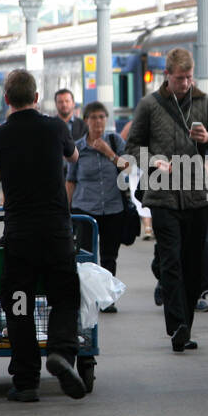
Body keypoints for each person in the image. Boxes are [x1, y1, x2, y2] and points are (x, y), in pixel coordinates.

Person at [0, 69, 88, 402]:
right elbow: (74, 157)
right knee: (64, 297)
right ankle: (62, 352)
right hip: (58, 234)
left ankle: (27, 380)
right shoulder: (56, 127)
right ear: (36, 98)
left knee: (19, 307)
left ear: (6, 100)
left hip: (20, 239)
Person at [125, 47, 208, 352]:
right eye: (179, 78)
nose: (185, 83)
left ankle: (185, 324)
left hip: (198, 195)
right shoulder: (149, 105)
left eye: (188, 77)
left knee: (194, 266)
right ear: (167, 75)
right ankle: (178, 326)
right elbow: (131, 147)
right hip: (163, 195)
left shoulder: (205, 104)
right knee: (171, 261)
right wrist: (152, 160)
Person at [66, 101, 130, 307]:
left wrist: (109, 153)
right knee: (86, 256)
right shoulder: (78, 147)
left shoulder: (115, 140)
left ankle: (107, 299)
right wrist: (67, 211)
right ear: (86, 121)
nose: (98, 122)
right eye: (93, 117)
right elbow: (71, 180)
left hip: (113, 208)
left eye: (102, 117)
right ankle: (88, 297)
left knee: (110, 256)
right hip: (85, 209)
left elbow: (128, 168)